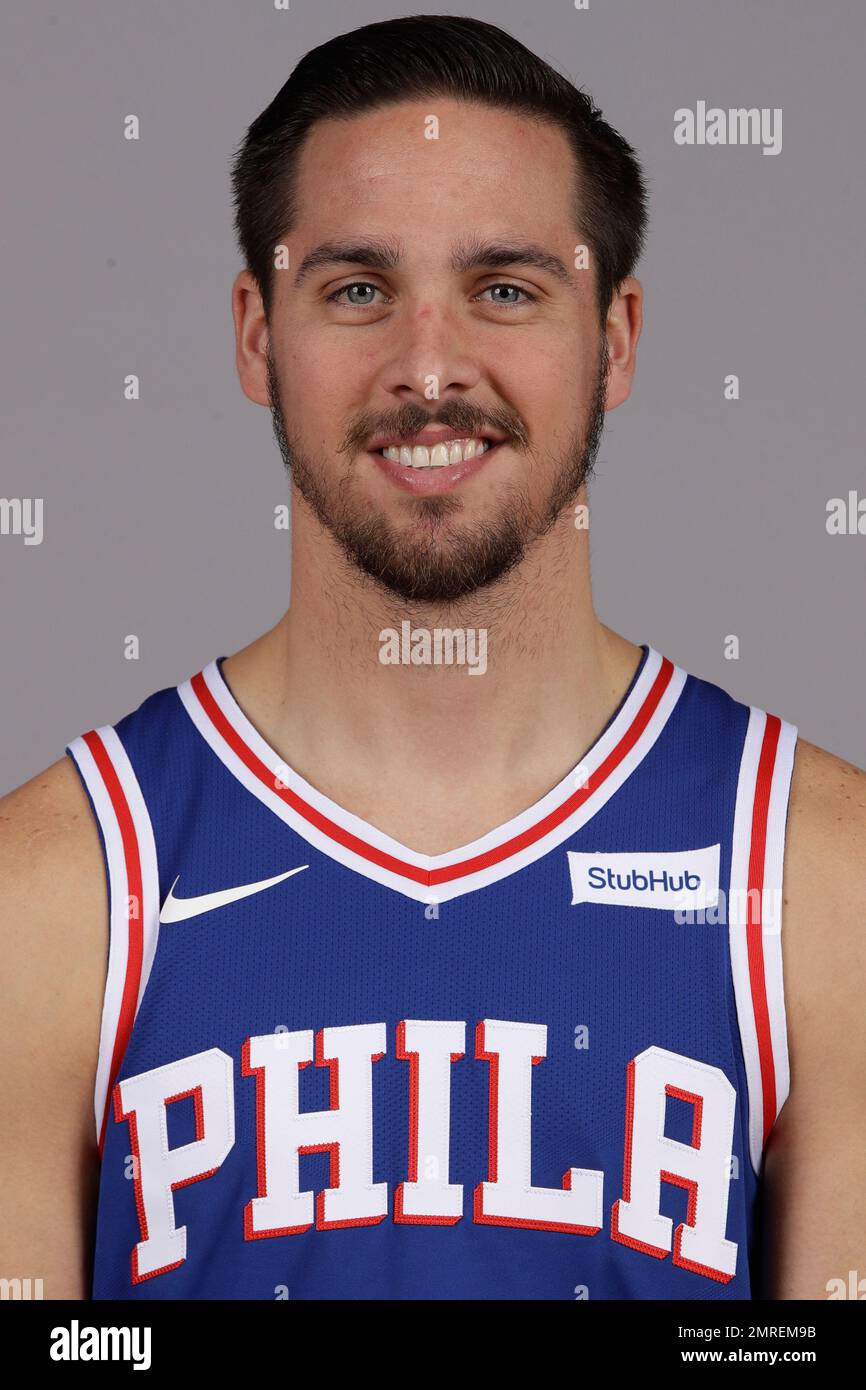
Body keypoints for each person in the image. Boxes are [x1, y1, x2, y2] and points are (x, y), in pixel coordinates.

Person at [1, 14, 863, 1301]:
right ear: (256, 335)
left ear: (615, 337)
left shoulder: (815, 884)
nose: (429, 369)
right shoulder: (56, 896)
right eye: (356, 289)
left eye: (504, 288)